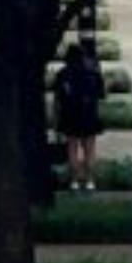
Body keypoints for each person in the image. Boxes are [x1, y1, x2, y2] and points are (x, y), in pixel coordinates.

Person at [53, 44, 106, 191]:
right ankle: (90, 180)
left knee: (72, 149)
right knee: (89, 149)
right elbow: (101, 96)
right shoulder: (93, 74)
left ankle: (74, 181)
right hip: (89, 115)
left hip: (69, 116)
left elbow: (58, 99)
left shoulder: (62, 74)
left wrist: (56, 119)